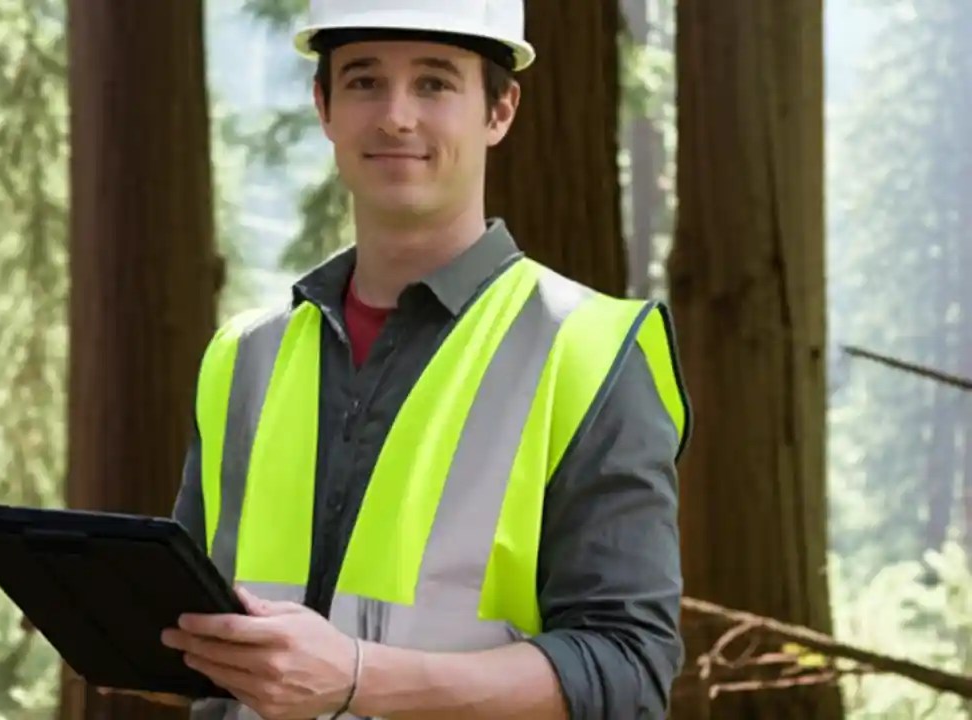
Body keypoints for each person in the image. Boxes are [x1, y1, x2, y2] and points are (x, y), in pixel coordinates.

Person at [118, 1, 692, 718]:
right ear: (324, 106)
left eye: (434, 83)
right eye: (364, 81)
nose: (395, 117)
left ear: (499, 110)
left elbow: (627, 669)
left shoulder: (590, 349)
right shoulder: (243, 356)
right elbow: (204, 632)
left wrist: (359, 677)